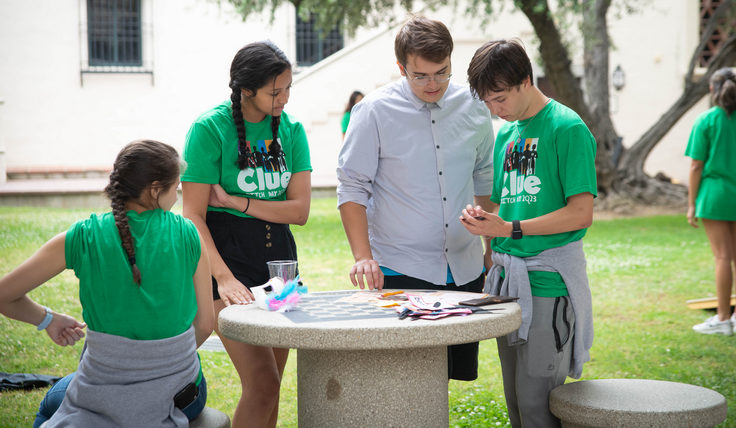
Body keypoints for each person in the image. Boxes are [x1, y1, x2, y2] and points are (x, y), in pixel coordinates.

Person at [0, 139, 214, 427]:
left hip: (104, 393)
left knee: (52, 402)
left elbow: (4, 295)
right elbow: (205, 325)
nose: (176, 197)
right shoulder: (189, 234)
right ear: (155, 189)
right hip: (183, 395)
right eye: (175, 188)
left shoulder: (82, 237)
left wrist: (48, 319)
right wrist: (158, 364)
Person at [336, 15, 494, 382]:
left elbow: (484, 176)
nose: (433, 84)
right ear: (401, 67)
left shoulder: (474, 106)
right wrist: (363, 257)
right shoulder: (373, 112)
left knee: (449, 377)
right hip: (400, 269)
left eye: (442, 73)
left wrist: (491, 248)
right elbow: (352, 188)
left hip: (465, 269)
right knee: (405, 380)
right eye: (420, 76)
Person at [460, 39, 596, 427]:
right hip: (507, 284)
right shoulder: (507, 135)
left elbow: (581, 213)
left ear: (524, 81)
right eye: (487, 101)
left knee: (538, 407)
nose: (495, 110)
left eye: (500, 98)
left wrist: (510, 227)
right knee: (517, 403)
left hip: (548, 284)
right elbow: (506, 206)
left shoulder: (567, 128)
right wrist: (484, 221)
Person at [181, 40, 312, 427]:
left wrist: (237, 202)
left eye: (288, 88)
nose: (284, 98)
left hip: (281, 265)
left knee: (273, 385)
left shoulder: (292, 129)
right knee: (262, 383)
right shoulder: (209, 128)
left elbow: (299, 212)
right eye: (275, 91)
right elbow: (192, 216)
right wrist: (222, 278)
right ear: (246, 89)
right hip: (226, 262)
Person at [686, 67, 736, 336]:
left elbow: (696, 166)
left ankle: (722, 319)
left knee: (722, 257)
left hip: (715, 197)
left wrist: (691, 204)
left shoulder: (706, 120)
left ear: (712, 89)